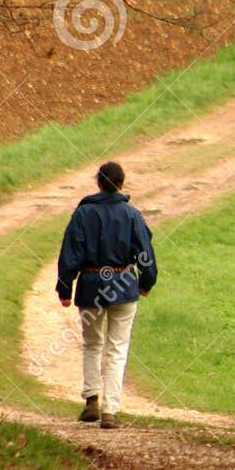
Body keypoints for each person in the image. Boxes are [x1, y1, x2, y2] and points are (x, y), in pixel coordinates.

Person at [56, 161, 158, 428]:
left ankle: (91, 400)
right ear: (121, 184)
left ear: (98, 183)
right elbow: (145, 252)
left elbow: (70, 254)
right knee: (117, 349)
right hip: (124, 286)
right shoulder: (132, 215)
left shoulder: (82, 214)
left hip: (90, 286)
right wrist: (146, 282)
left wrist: (65, 287)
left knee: (92, 344)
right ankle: (110, 411)